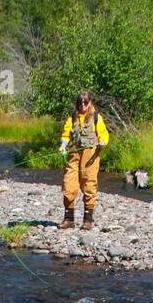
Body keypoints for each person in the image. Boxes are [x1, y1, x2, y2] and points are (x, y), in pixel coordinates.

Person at [57, 90, 109, 230]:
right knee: (68, 184)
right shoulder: (72, 117)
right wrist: (63, 146)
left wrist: (103, 141)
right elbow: (66, 134)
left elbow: (103, 133)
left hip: (90, 155)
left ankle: (88, 220)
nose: (83, 106)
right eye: (80, 103)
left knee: (89, 185)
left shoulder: (96, 117)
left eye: (85, 103)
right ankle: (69, 219)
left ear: (90, 102)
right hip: (73, 154)